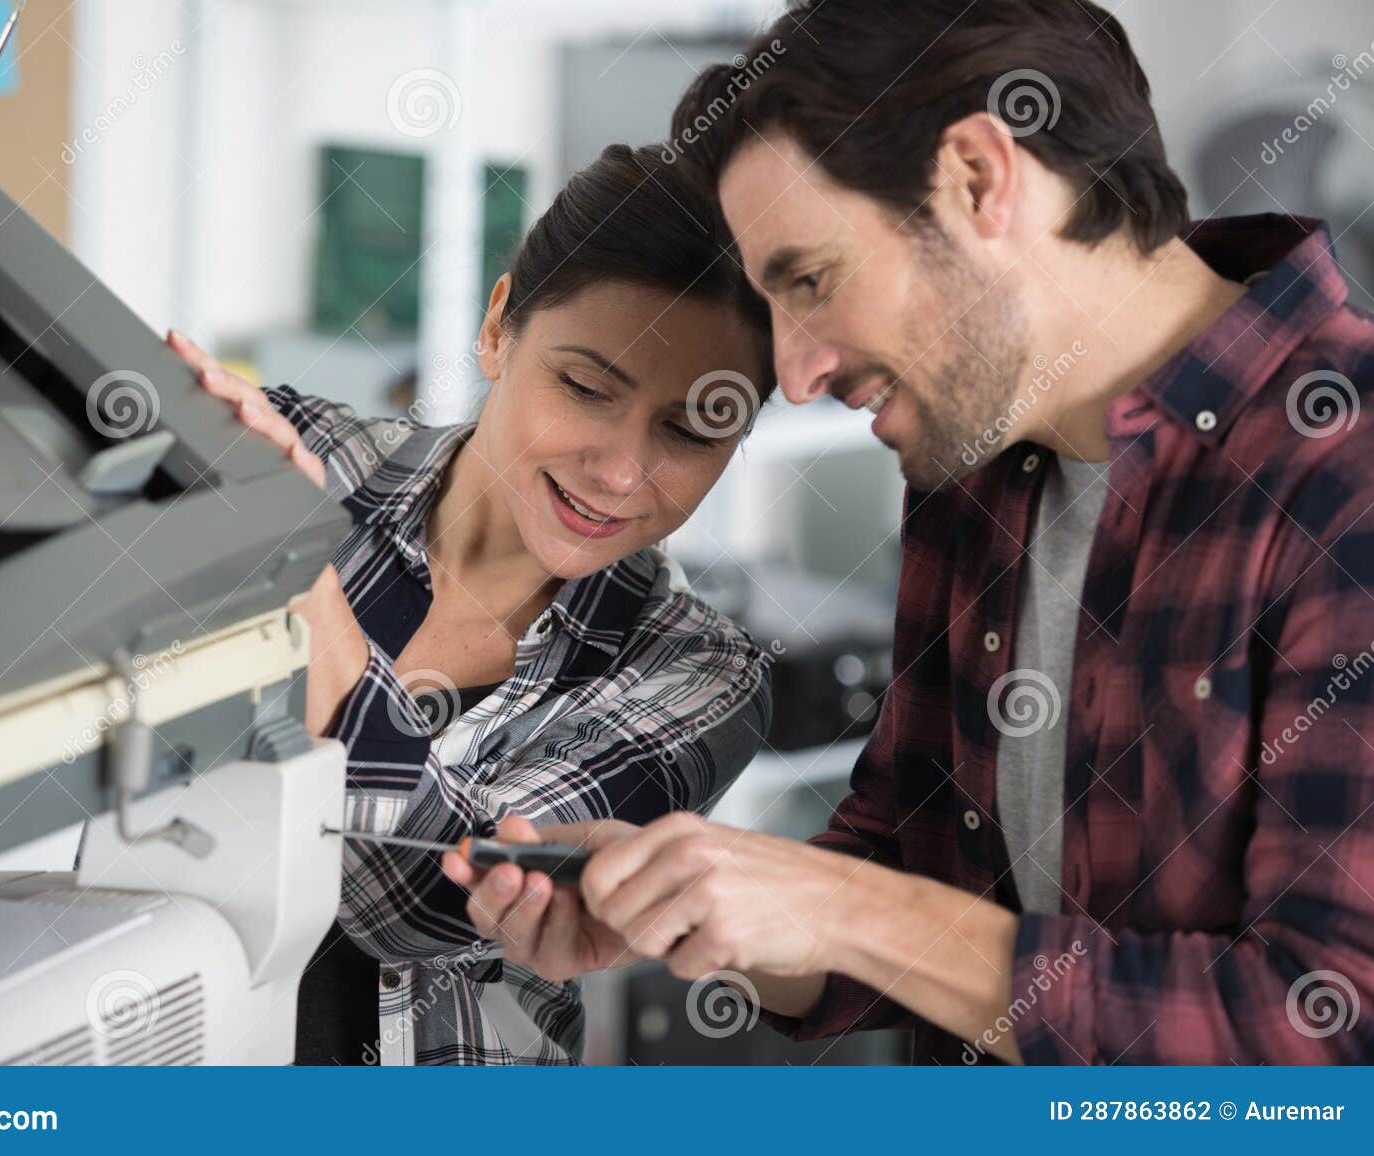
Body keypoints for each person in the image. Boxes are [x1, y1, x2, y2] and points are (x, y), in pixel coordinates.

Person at [449, 0, 1374, 1065]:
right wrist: (690, 905)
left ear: (979, 178)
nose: (793, 373)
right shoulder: (973, 458)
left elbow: (1320, 1039)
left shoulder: (1340, 473)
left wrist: (842, 906)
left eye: (808, 280)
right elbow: (912, 867)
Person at [0, 103, 776, 1064]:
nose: (619, 472)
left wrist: (296, 578)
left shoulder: (701, 675)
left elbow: (438, 903)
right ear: (497, 330)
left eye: (690, 433)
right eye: (585, 388)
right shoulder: (305, 452)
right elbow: (46, 474)